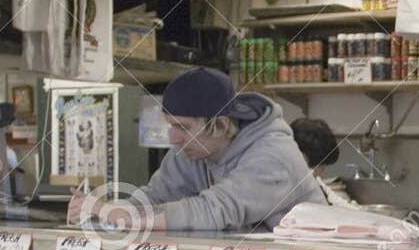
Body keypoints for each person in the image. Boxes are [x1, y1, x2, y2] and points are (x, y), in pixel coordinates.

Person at [69, 67, 323, 231]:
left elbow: (215, 209)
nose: (174, 138)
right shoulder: (193, 150)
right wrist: (100, 214)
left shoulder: (273, 155)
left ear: (221, 125)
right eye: (171, 126)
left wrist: (117, 215)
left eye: (184, 127)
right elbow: (156, 197)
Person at [289, 117, 354, 206]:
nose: (322, 173)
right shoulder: (281, 187)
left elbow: (337, 203)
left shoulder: (315, 181)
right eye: (321, 165)